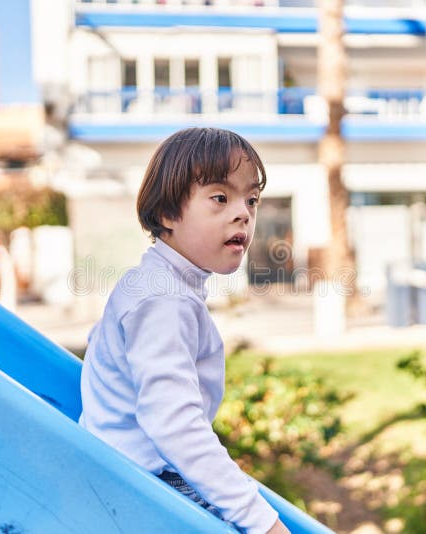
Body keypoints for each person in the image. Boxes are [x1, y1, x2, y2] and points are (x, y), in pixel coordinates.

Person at [79, 127, 290, 534]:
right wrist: (263, 523)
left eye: (251, 200)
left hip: (127, 480)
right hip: (145, 496)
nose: (243, 212)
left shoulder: (152, 284)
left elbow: (102, 348)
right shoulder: (165, 300)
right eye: (220, 198)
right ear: (166, 214)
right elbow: (173, 423)